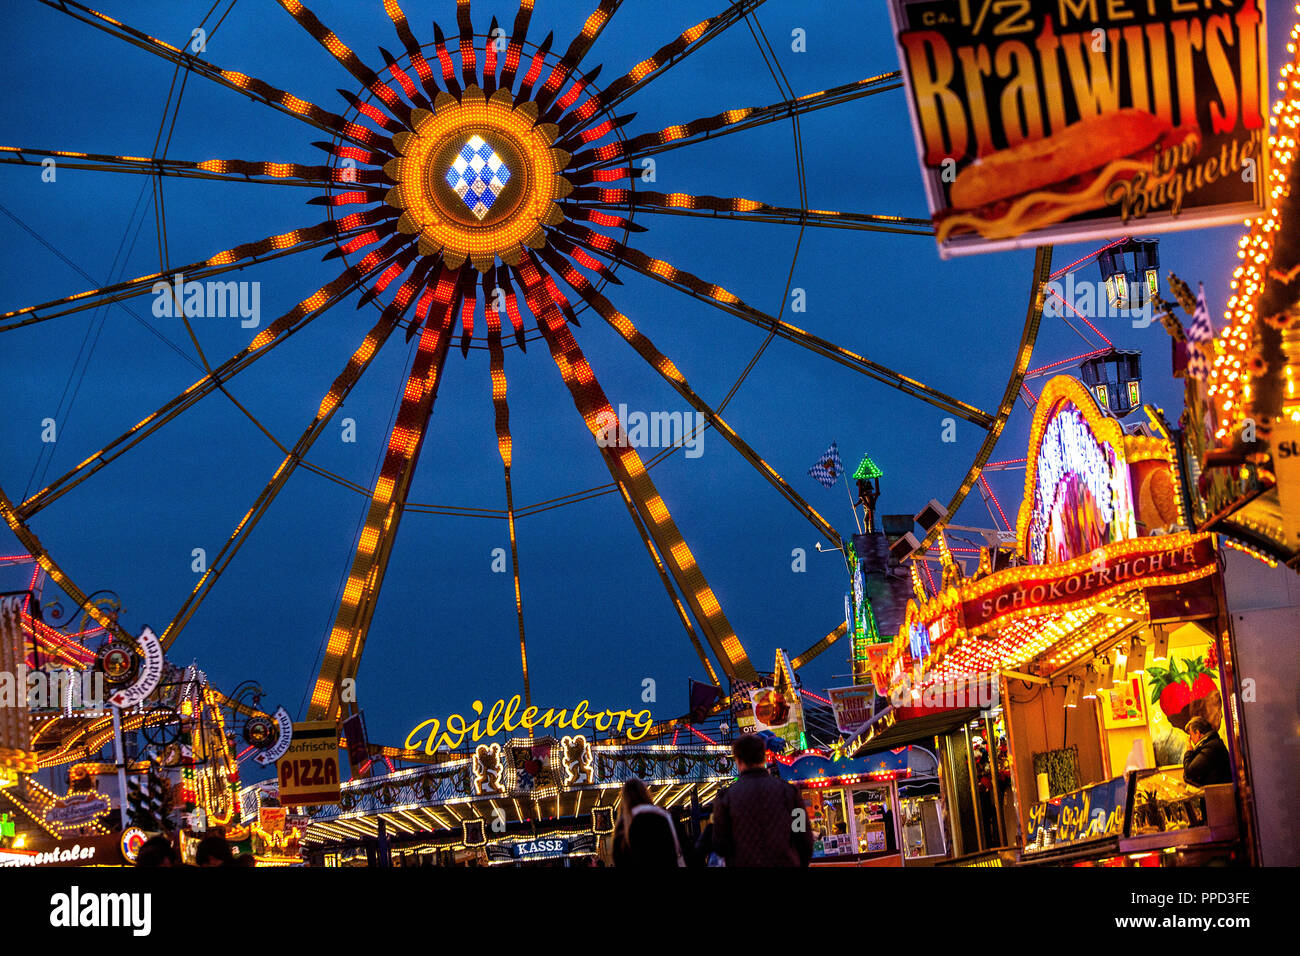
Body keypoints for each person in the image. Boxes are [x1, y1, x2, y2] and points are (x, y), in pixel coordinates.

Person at [712, 734, 814, 867]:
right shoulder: (789, 792)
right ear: (763, 757)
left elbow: (720, 844)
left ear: (738, 761)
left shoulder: (726, 797)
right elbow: (803, 836)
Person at [612, 778, 687, 867]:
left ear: (624, 799)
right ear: (646, 793)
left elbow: (618, 858)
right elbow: (686, 849)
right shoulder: (665, 817)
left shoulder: (623, 825)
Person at [1183, 716, 1232, 786]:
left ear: (1197, 733)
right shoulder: (1210, 744)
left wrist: (1189, 751)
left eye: (1191, 735)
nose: (1190, 739)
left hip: (1217, 794)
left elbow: (1189, 772)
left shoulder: (1210, 747)